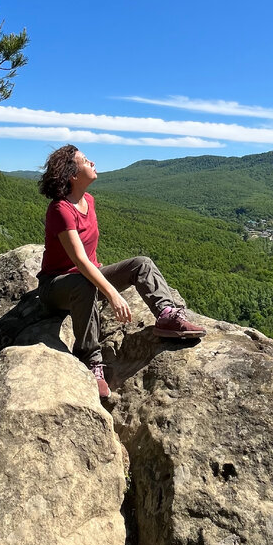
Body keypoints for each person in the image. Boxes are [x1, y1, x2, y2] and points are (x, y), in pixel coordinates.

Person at [37, 144, 206, 398]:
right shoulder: (61, 209)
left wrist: (102, 273)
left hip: (85, 277)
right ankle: (90, 360)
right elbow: (80, 262)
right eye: (85, 160)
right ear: (73, 174)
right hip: (56, 288)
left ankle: (167, 315)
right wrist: (113, 293)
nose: (92, 163)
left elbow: (89, 256)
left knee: (141, 263)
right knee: (84, 284)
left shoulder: (88, 201)